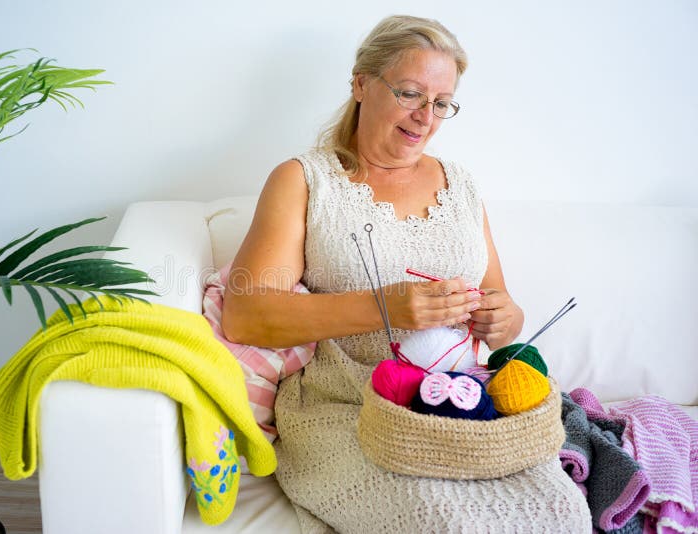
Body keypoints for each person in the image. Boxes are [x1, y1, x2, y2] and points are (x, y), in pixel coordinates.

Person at [222, 14, 590, 533]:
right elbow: (245, 315)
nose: (425, 117)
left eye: (441, 103)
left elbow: (502, 306)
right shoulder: (304, 180)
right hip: (348, 405)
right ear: (361, 84)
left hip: (462, 405)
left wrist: (502, 317)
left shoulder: (460, 184)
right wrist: (385, 307)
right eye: (411, 93)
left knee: (563, 512)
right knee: (440, 519)